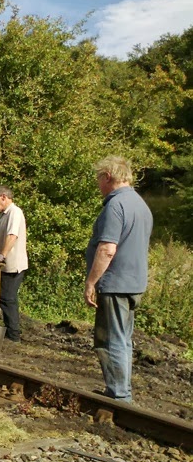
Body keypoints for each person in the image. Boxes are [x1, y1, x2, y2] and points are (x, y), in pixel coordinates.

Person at [85, 156, 153, 403]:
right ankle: (121, 391)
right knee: (124, 339)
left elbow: (107, 249)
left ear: (107, 177)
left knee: (109, 340)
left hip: (115, 282)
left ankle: (119, 396)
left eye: (99, 179)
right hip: (135, 282)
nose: (98, 184)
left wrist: (91, 282)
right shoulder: (140, 204)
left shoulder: (115, 205)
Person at [0, 185, 28, 343]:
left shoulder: (14, 212)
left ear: (4, 197)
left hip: (14, 264)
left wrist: (1, 256)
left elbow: (12, 236)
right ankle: (8, 330)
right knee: (4, 298)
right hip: (6, 264)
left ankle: (14, 335)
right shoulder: (4, 214)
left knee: (8, 298)